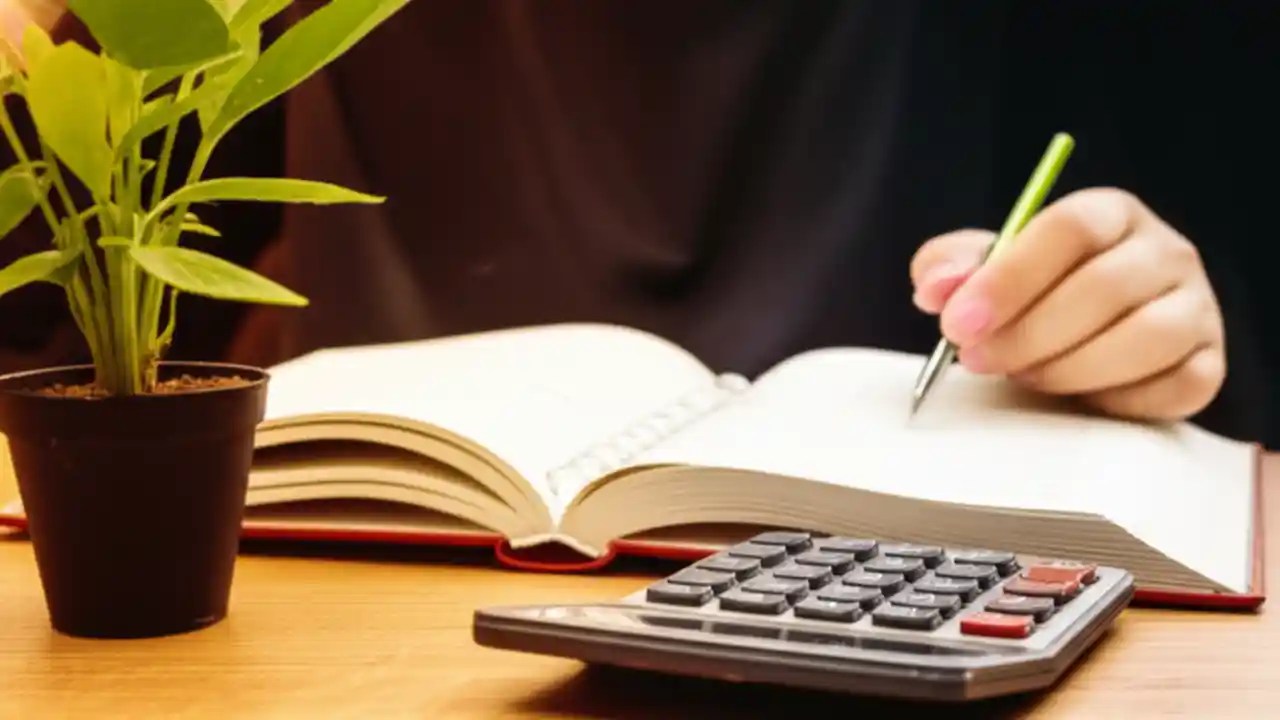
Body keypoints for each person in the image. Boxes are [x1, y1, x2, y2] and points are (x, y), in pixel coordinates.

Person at [0, 1, 1276, 447]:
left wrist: (1154, 335)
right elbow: (62, 318)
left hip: (897, 604)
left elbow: (1202, 349)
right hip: (313, 575)